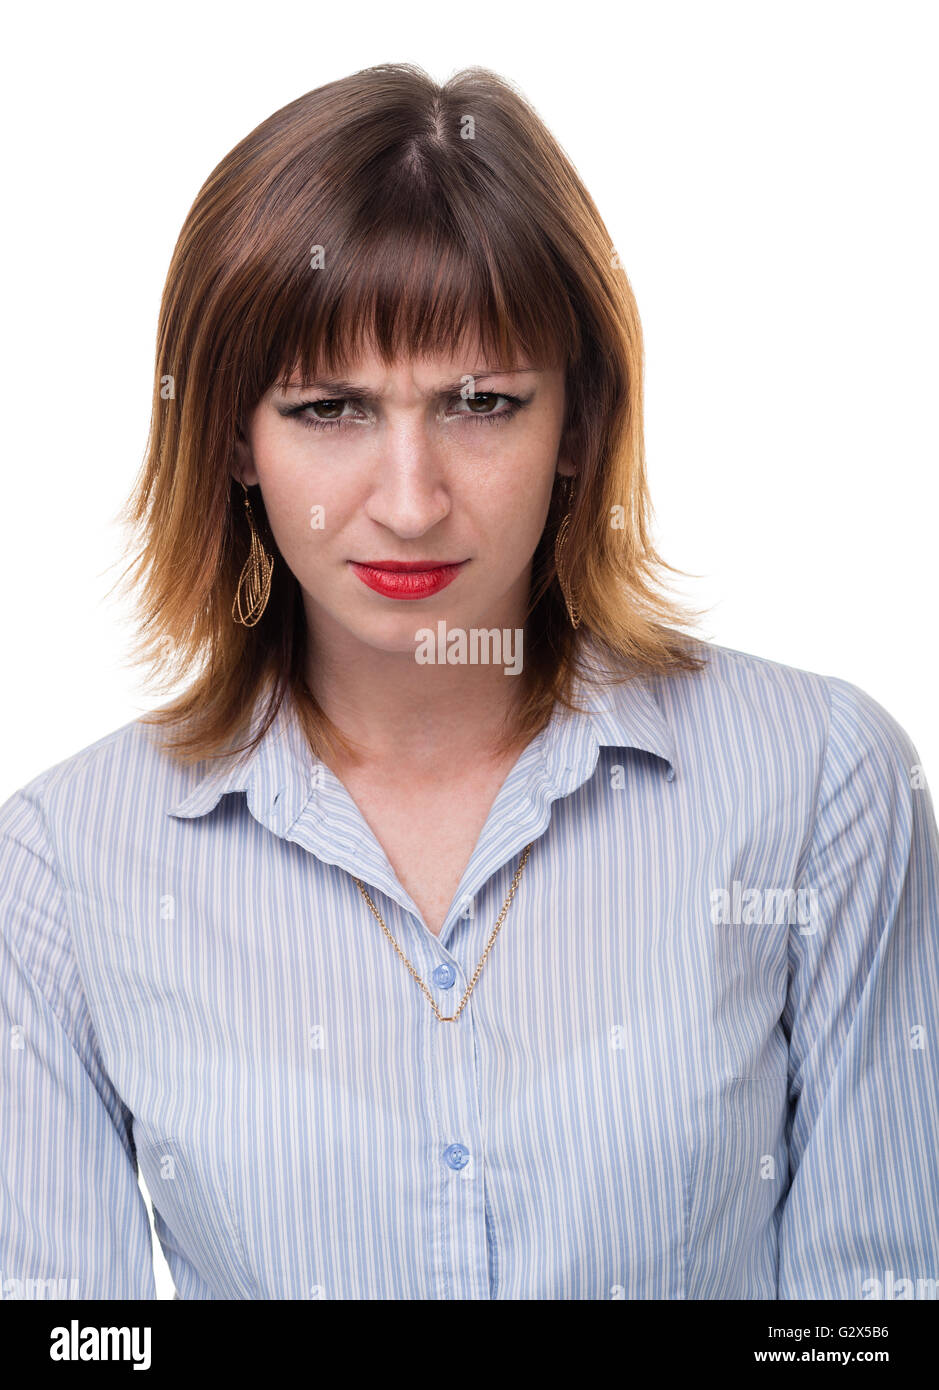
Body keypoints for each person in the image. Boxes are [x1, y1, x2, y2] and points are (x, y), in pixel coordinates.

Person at [1, 62, 937, 1302]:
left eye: (482, 403)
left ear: (579, 424)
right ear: (232, 434)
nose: (409, 500)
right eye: (329, 407)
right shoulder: (68, 864)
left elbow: (875, 1317)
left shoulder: (819, 782)